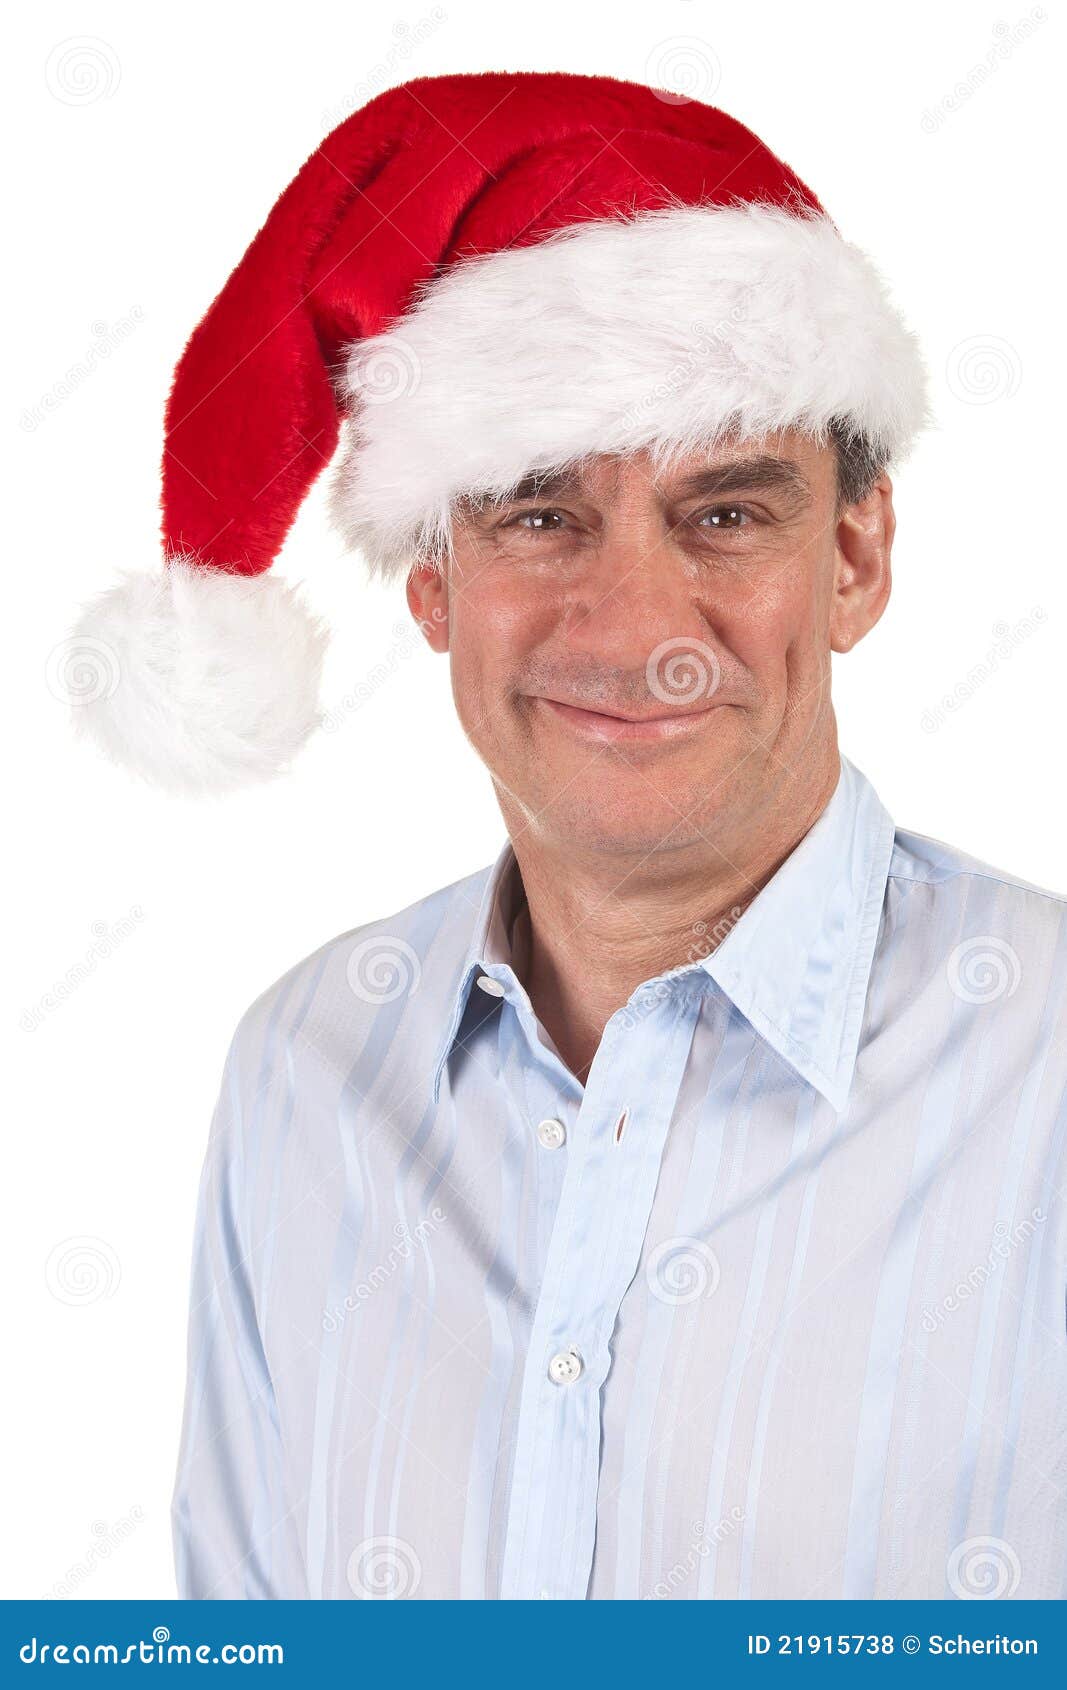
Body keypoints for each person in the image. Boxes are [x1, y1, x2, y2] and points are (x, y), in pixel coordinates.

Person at [72, 72, 1065, 1600]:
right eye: (540, 518)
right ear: (433, 586)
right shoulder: (302, 1071)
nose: (634, 627)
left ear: (856, 559)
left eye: (726, 514)